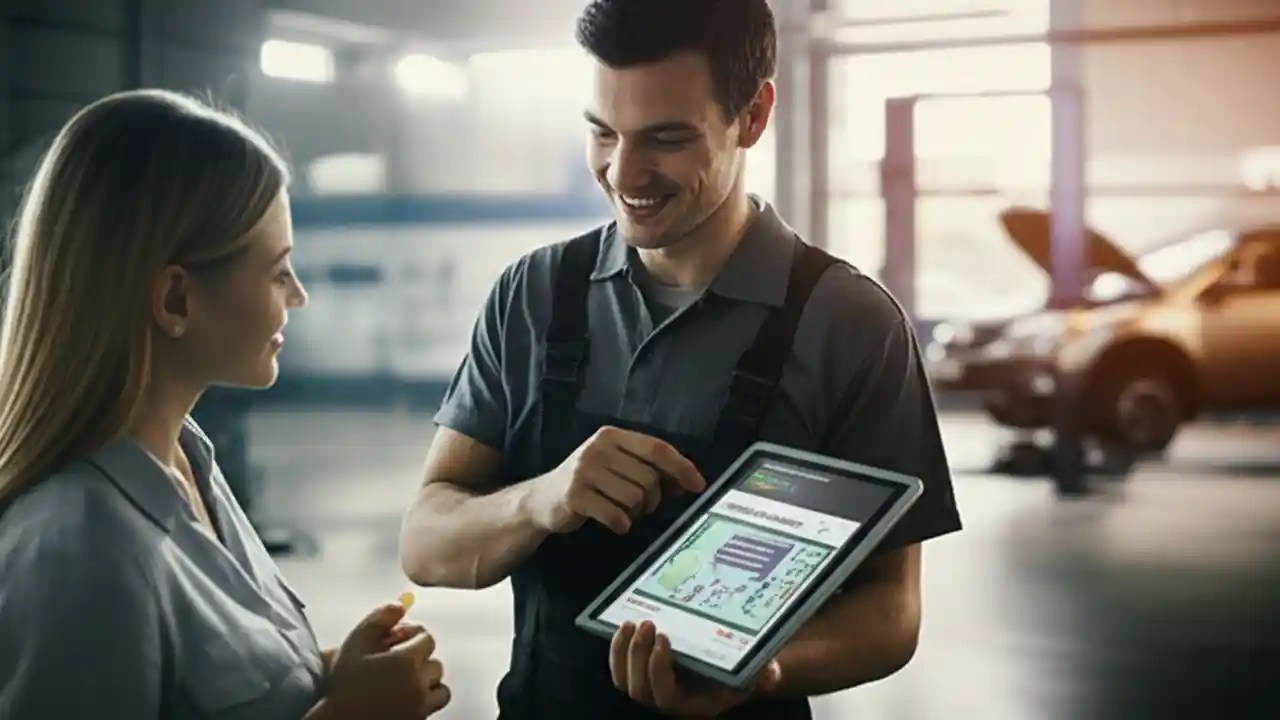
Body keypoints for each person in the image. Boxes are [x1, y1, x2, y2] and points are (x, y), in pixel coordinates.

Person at [399, 0, 962, 717]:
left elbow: (891, 610)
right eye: (602, 132)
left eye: (665, 138)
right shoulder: (533, 295)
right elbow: (426, 542)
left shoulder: (851, 325)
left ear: (753, 116)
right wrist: (543, 498)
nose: (622, 172)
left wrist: (763, 669)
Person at [0, 90, 451, 720]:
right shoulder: (78, 552)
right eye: (277, 272)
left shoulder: (187, 464)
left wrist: (328, 675)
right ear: (176, 301)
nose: (297, 297)